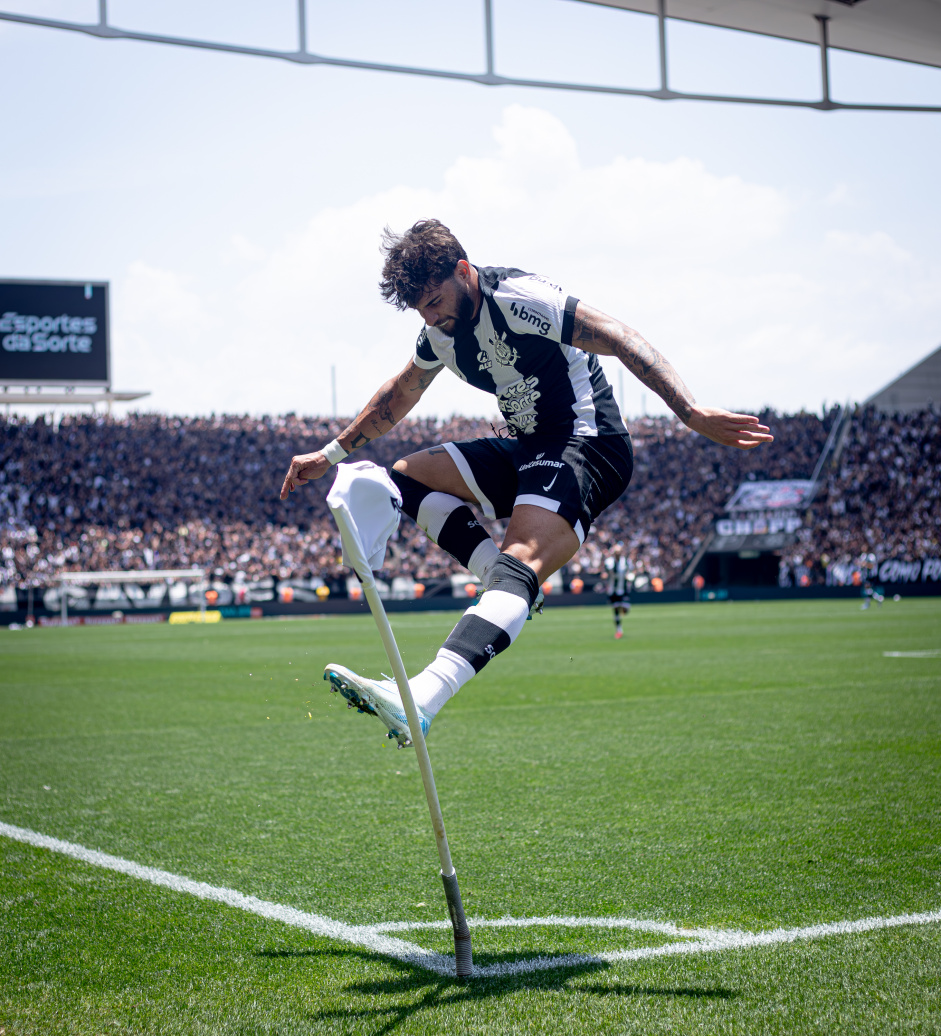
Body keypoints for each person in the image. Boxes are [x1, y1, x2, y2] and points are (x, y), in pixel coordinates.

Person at [280, 219, 773, 746]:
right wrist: (329, 454)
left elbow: (620, 337)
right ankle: (509, 585)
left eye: (435, 299)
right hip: (531, 448)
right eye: (419, 308)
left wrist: (690, 411)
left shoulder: (519, 298)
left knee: (522, 562)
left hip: (588, 443)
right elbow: (397, 396)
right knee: (410, 478)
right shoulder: (439, 337)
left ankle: (423, 695)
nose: (430, 316)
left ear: (464, 271)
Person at [604, 542, 632, 639]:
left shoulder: (625, 562)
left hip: (623, 589)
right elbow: (610, 571)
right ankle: (619, 630)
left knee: (625, 609)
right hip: (613, 590)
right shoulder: (609, 562)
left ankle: (620, 624)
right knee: (616, 609)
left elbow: (629, 571)